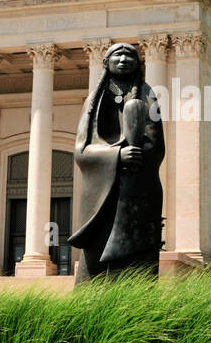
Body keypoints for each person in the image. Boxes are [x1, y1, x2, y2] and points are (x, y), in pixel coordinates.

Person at [69, 43, 165, 281]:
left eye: (129, 55)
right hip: (101, 196)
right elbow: (81, 151)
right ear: (106, 62)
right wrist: (116, 156)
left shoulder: (147, 96)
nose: (123, 59)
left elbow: (156, 145)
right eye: (117, 55)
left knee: (137, 265)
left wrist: (136, 157)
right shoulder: (93, 102)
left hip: (136, 191)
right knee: (96, 261)